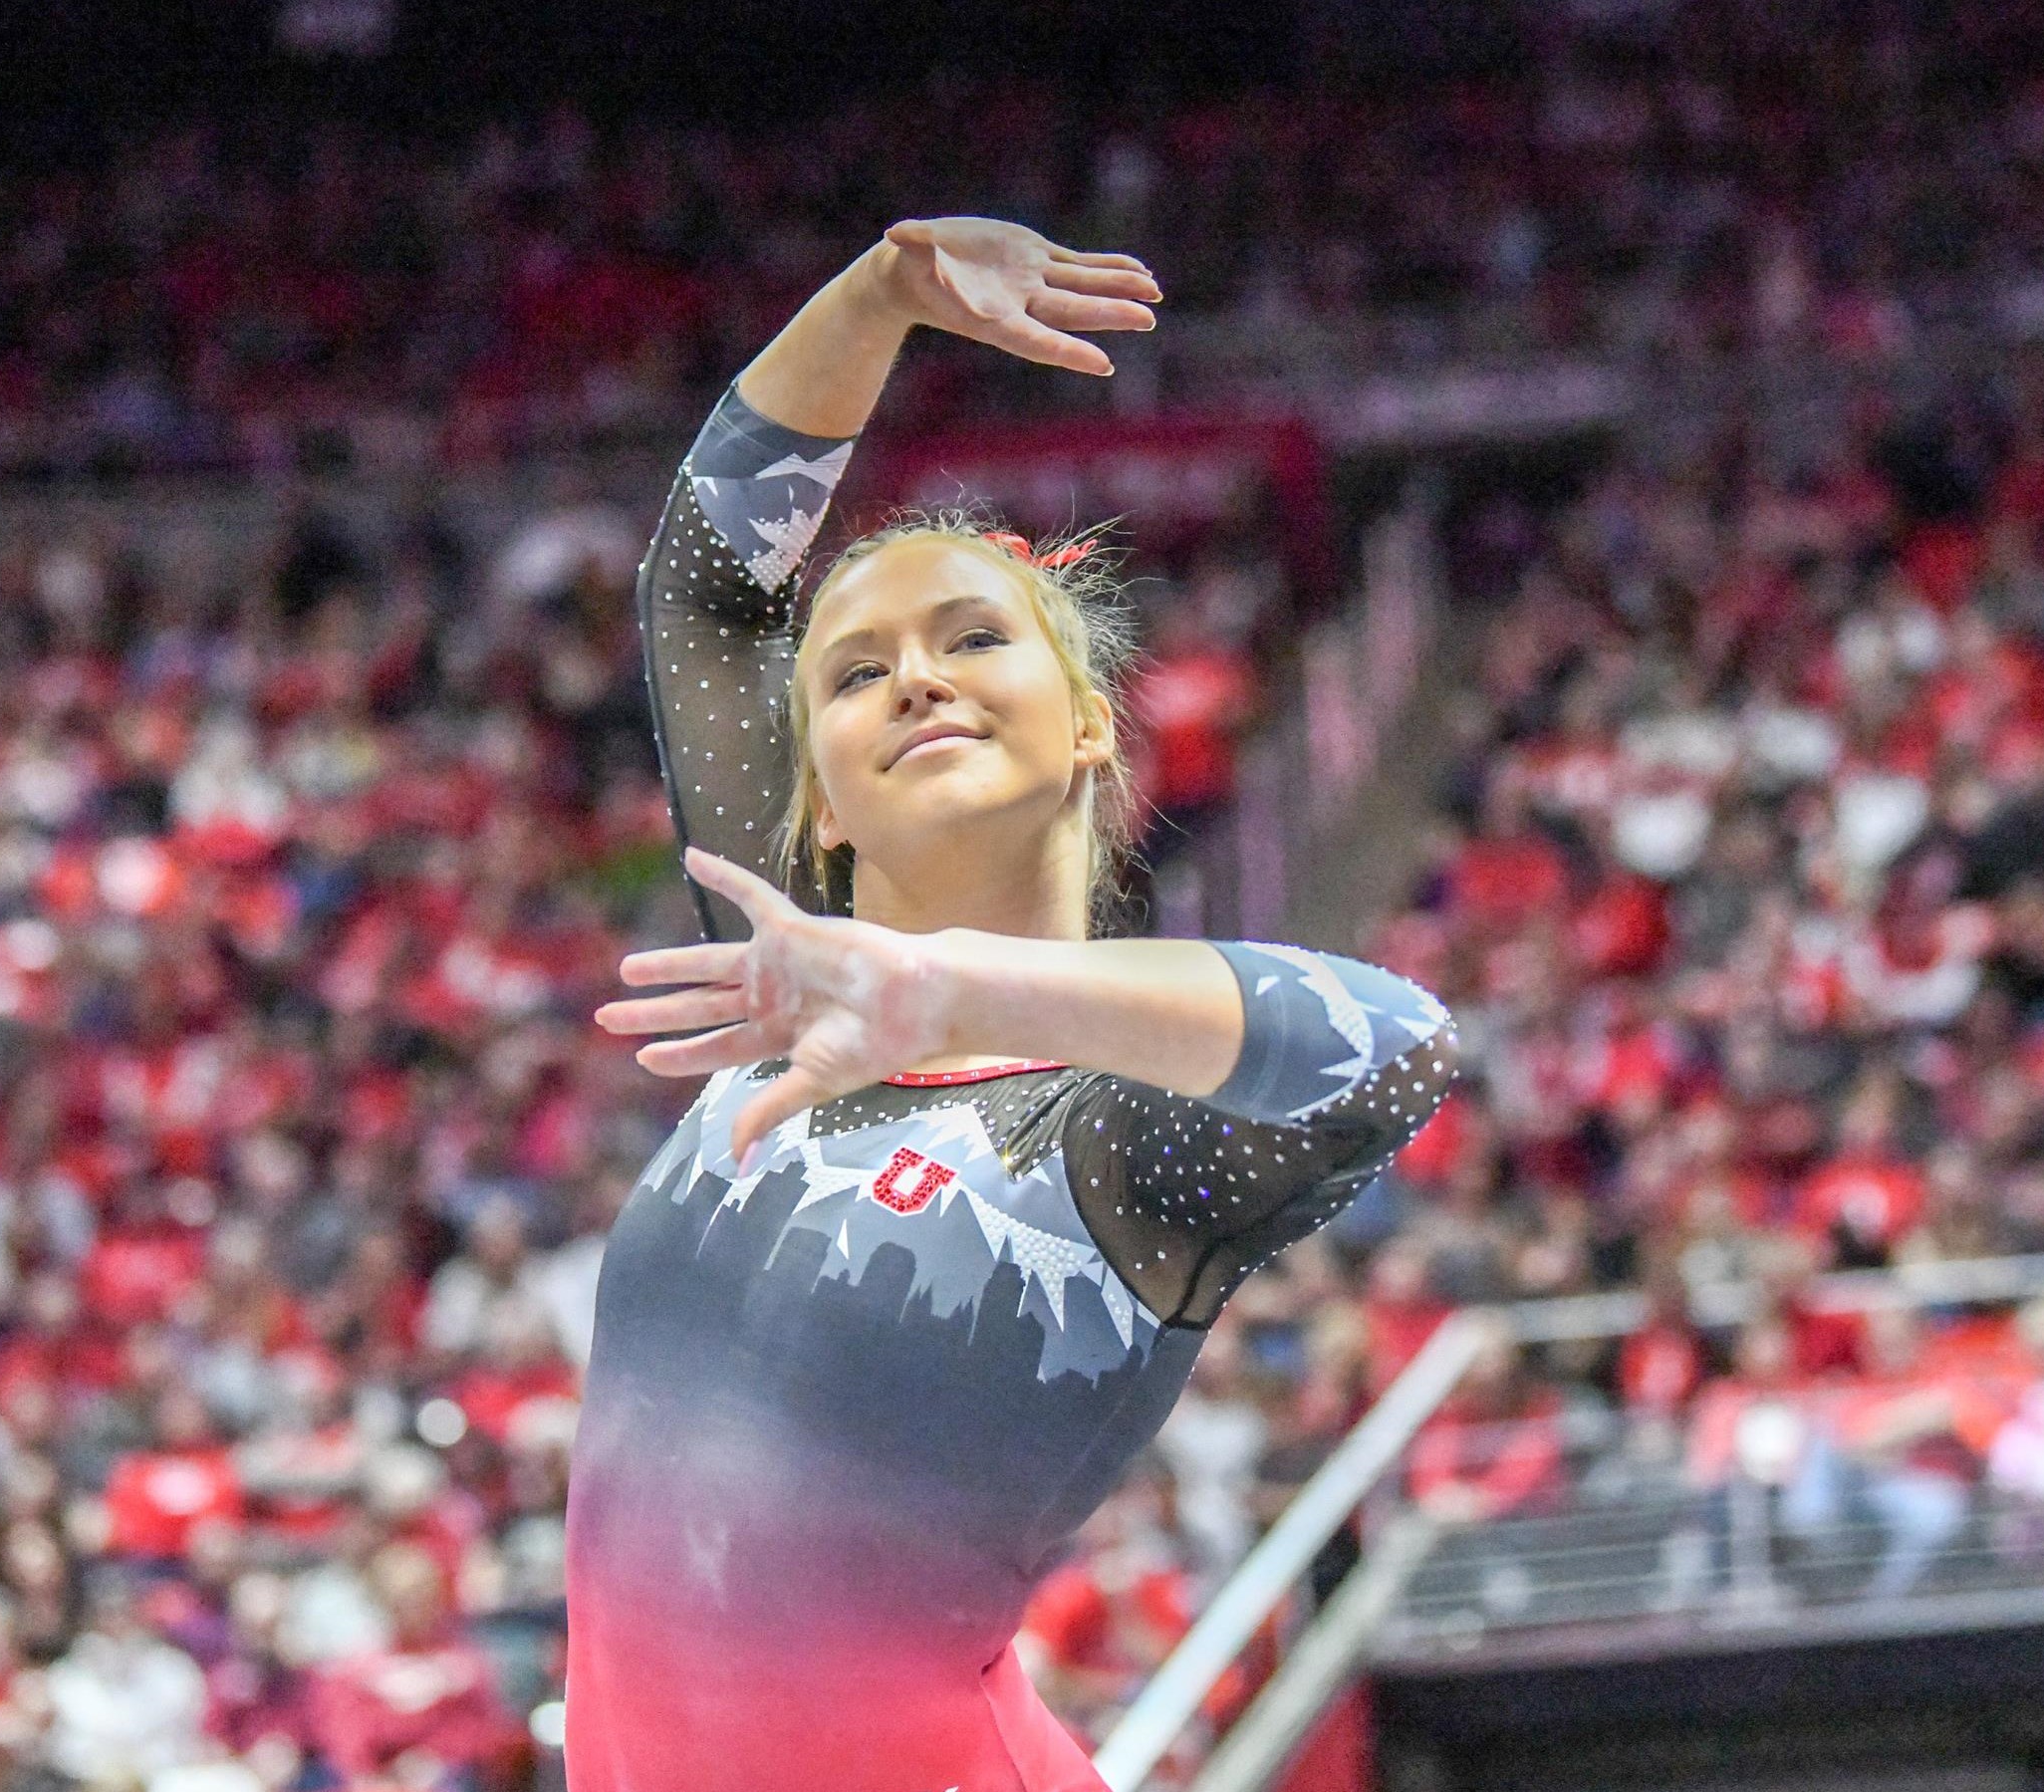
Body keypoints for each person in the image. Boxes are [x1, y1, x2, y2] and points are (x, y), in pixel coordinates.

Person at [573, 216, 1460, 1792]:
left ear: (1092, 738)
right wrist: (880, 293)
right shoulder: (789, 968)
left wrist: (948, 989)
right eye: (855, 674)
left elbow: (1394, 1051)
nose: (914, 678)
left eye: (974, 639)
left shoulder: (1116, 1139)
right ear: (820, 805)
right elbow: (708, 584)